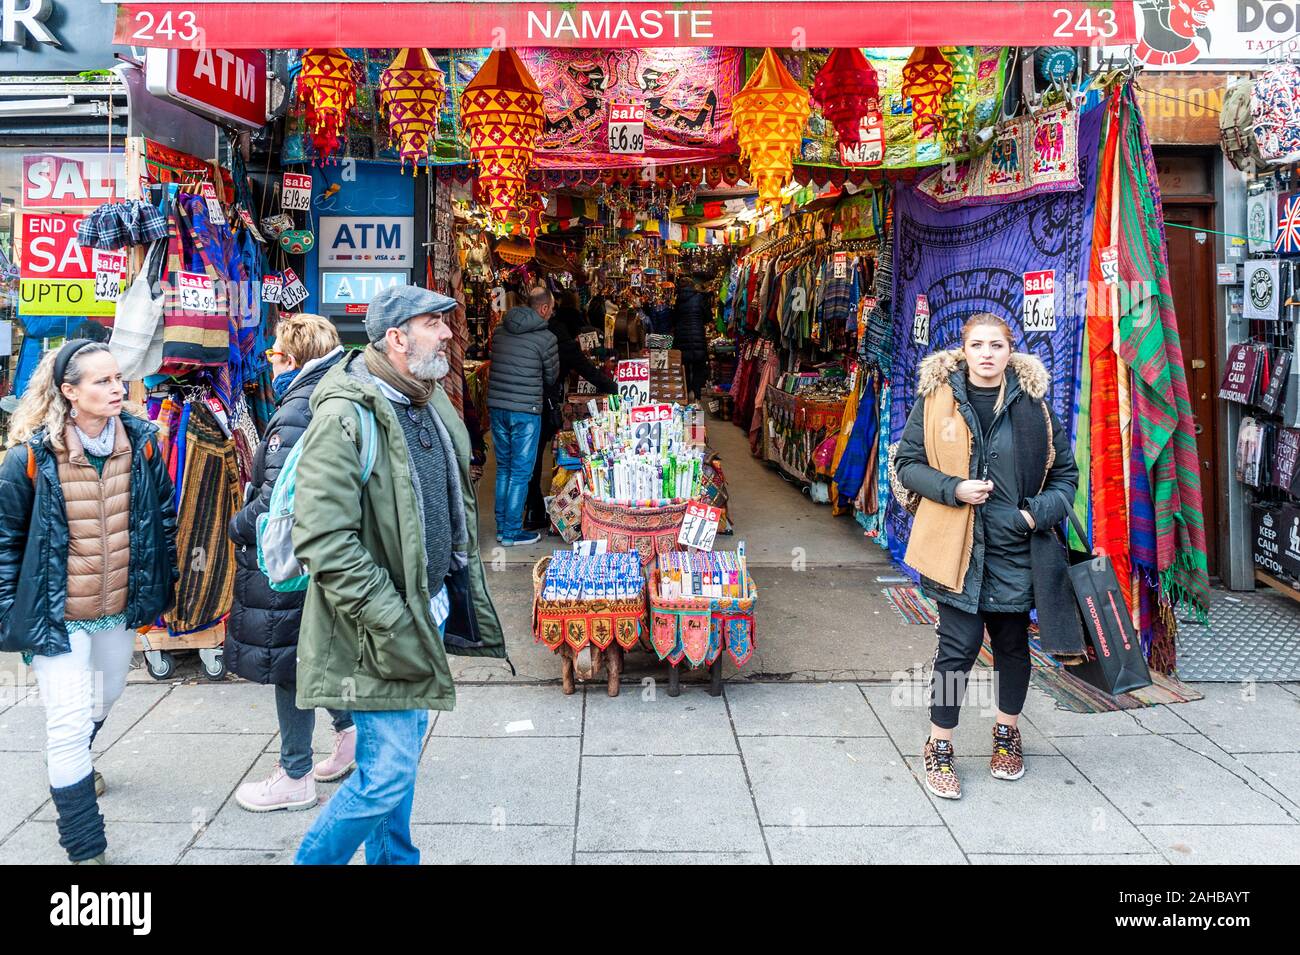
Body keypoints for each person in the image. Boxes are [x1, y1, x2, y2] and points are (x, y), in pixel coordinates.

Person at [290, 284, 506, 865]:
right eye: (434, 324)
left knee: (400, 760)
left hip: (420, 609)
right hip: (374, 625)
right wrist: (389, 613)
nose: (448, 334)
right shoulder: (344, 417)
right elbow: (322, 538)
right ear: (396, 338)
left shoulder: (425, 398)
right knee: (386, 773)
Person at [0, 341, 177, 864]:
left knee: (108, 694)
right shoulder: (30, 458)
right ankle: (85, 847)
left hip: (119, 606)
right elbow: (6, 538)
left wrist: (158, 582)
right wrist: (12, 612)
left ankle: (77, 752)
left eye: (118, 378)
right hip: (58, 616)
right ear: (69, 392)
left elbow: (162, 516)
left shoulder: (143, 443)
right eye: (101, 381)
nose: (117, 388)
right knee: (69, 722)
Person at [894, 314, 1078, 801]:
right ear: (964, 350)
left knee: (1013, 648)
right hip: (957, 549)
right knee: (956, 652)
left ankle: (1007, 733)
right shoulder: (937, 399)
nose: (987, 354)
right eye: (977, 345)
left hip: (1017, 549)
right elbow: (907, 465)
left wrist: (1034, 515)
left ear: (1009, 349)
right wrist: (953, 488)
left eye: (997, 345)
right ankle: (939, 745)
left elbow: (1066, 477)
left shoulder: (1033, 405)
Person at [226, 313, 355, 812]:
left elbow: (277, 504)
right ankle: (348, 734)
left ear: (294, 358)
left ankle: (295, 773)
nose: (271, 364)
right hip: (320, 550)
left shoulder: (298, 407)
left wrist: (236, 526)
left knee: (289, 661)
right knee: (310, 650)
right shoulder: (332, 387)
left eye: (276, 355)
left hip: (294, 557)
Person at [523, 290, 617, 531]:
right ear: (545, 309)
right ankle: (532, 511)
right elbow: (586, 368)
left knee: (517, 462)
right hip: (538, 402)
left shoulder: (515, 330)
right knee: (531, 459)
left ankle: (514, 519)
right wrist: (616, 388)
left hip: (510, 403)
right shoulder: (556, 335)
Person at [486, 289, 558, 546]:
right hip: (526, 411)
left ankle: (502, 527)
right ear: (543, 309)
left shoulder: (500, 331)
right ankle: (512, 531)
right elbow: (552, 377)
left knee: (504, 468)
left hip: (498, 407)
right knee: (519, 472)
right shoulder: (546, 338)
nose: (551, 312)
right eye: (551, 308)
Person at [672, 275, 711, 399]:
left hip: (682, 337)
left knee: (685, 366)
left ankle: (687, 392)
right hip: (697, 336)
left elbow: (674, 319)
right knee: (698, 366)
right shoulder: (699, 298)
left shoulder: (678, 300)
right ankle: (697, 394)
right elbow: (707, 316)